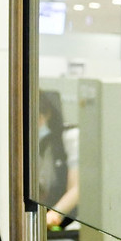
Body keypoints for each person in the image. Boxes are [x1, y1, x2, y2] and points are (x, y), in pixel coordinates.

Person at [37, 89, 79, 229]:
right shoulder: (42, 144)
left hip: (74, 220)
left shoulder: (71, 137)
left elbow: (77, 189)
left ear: (47, 114)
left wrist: (54, 215)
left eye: (38, 118)